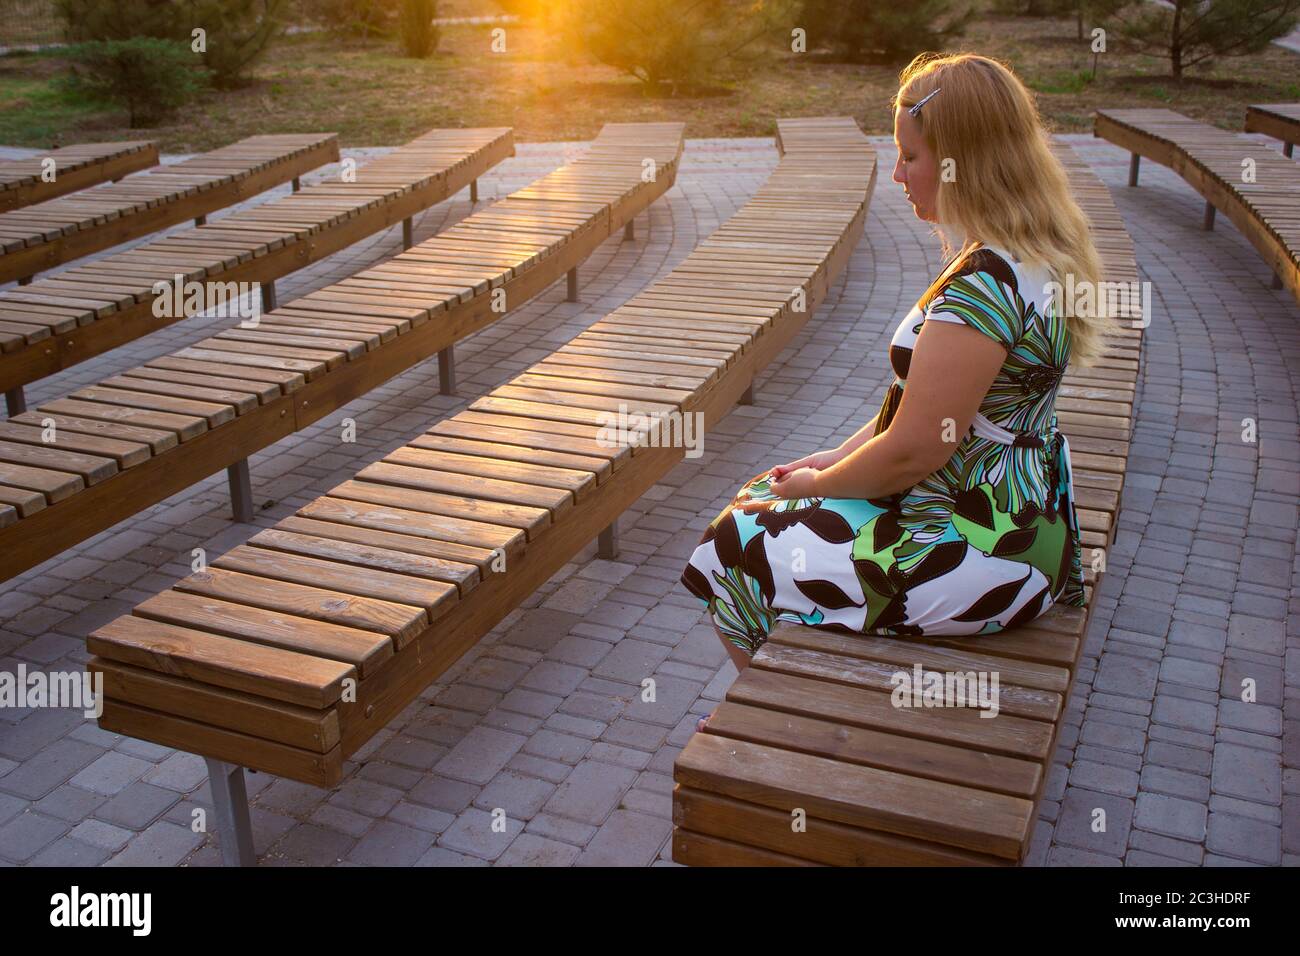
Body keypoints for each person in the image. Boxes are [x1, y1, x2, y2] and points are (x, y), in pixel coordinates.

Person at [680, 52, 1118, 678]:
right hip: (1016, 517)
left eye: (909, 157)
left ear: (960, 162)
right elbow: (917, 411)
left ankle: (786, 721)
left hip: (979, 545)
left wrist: (817, 486)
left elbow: (916, 450)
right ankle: (795, 693)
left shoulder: (983, 286)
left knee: (731, 544)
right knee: (761, 497)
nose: (896, 175)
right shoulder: (1026, 252)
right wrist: (830, 460)